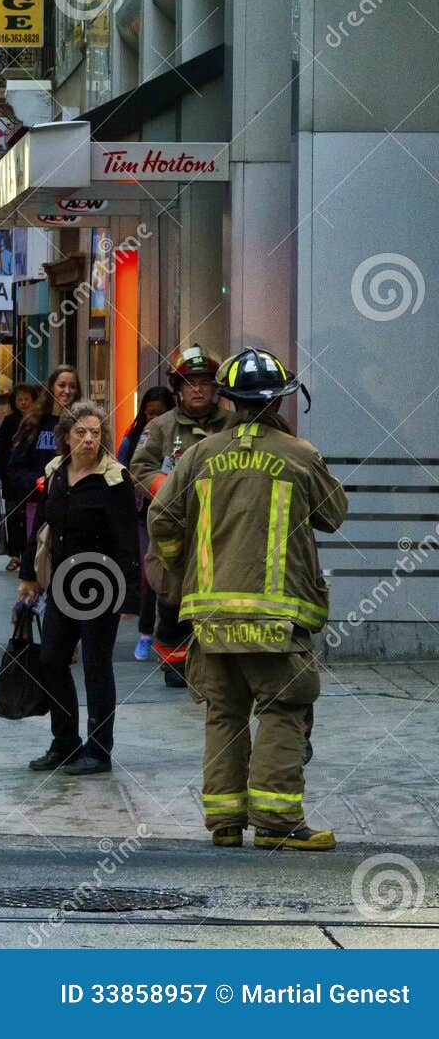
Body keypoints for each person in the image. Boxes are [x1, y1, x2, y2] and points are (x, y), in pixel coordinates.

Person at [147, 347, 346, 850]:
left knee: (224, 712)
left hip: (211, 617)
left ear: (228, 399)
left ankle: (226, 823)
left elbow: (162, 522)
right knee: (283, 708)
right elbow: (333, 514)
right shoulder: (300, 455)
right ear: (280, 400)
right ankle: (278, 823)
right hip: (277, 618)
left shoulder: (198, 456)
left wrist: (181, 571)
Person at [18, 400, 139, 776]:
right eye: (80, 432)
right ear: (66, 437)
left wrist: (128, 596)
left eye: (95, 433)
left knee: (96, 667)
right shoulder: (56, 471)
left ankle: (99, 750)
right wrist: (28, 576)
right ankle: (65, 742)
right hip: (61, 581)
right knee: (52, 659)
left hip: (102, 582)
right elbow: (42, 527)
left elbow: (127, 541)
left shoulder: (115, 479)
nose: (88, 439)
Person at [129, 345, 231, 687]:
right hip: (175, 531)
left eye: (205, 382)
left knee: (219, 596)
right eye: (190, 383)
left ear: (217, 389)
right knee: (171, 598)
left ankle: (217, 663)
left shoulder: (233, 425)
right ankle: (174, 664)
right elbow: (139, 467)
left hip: (221, 531)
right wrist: (173, 493)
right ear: (179, 388)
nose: (198, 389)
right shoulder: (161, 427)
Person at [116, 385, 175, 661]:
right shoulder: (133, 439)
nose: (154, 418)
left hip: (170, 515)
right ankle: (146, 632)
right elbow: (119, 473)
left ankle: (162, 632)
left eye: (160, 413)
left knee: (164, 575)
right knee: (147, 574)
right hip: (140, 515)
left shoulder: (175, 437)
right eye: (150, 413)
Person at [7, 366, 81, 562]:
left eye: (72, 386)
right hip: (39, 504)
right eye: (62, 385)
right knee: (39, 561)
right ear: (51, 388)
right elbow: (15, 468)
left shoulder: (84, 423)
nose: (67, 391)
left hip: (74, 505)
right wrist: (37, 481)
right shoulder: (34, 422)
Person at [0, 382, 42, 571]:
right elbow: (0, 452)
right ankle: (15, 555)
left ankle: (32, 555)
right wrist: (3, 477)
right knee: (14, 518)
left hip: (33, 479)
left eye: (26, 399)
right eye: (19, 399)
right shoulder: (9, 422)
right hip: (12, 480)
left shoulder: (40, 421)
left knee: (32, 518)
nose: (23, 403)